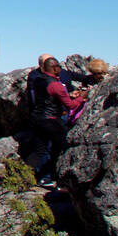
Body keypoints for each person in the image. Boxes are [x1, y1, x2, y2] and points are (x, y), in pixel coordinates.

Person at [25, 56, 87, 187]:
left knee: (38, 151)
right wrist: (82, 97)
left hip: (37, 119)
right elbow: (70, 105)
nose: (61, 69)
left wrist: (68, 95)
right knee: (65, 148)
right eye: (58, 66)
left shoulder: (38, 80)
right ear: (54, 68)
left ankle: (23, 179)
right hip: (51, 121)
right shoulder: (55, 84)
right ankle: (63, 183)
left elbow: (47, 97)